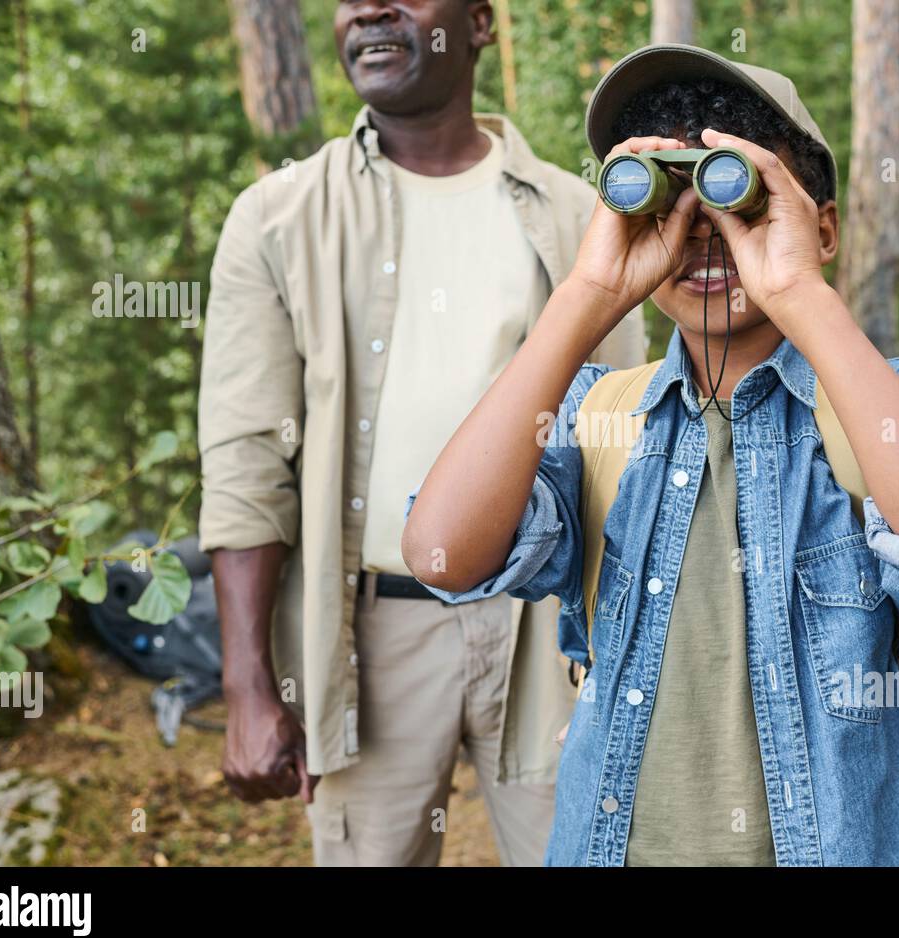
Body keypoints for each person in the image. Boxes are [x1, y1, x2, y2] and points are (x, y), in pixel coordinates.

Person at [402, 44, 899, 866]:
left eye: (737, 199)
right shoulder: (601, 415)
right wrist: (584, 299)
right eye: (670, 202)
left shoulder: (880, 401)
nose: (706, 238)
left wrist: (799, 291)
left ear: (825, 227)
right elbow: (442, 553)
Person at [197, 0, 643, 866]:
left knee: (589, 850)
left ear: (478, 23)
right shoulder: (279, 217)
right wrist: (249, 683)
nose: (368, 8)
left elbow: (617, 446)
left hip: (546, 627)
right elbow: (246, 458)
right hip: (371, 638)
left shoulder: (574, 212)